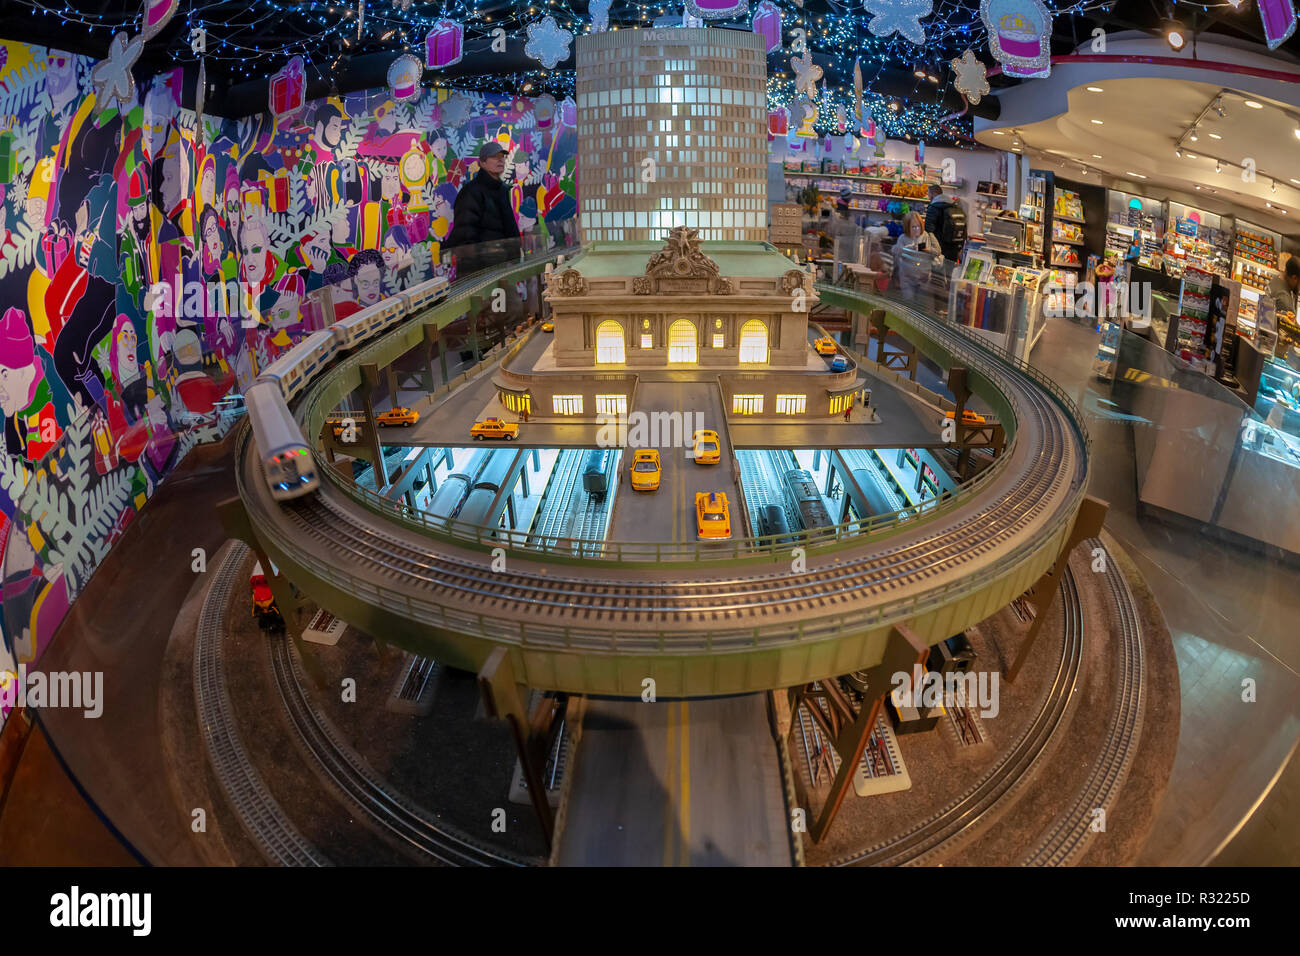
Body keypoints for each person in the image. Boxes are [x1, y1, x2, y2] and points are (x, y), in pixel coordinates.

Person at [445, 142, 521, 274]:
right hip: (480, 271)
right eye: (495, 157)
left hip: (502, 267)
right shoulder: (470, 192)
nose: (500, 160)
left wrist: (514, 257)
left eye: (502, 156)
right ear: (482, 163)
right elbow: (465, 237)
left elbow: (509, 228)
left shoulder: (502, 190)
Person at [895, 211, 942, 303]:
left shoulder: (927, 236)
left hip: (924, 278)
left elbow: (937, 252)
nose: (916, 229)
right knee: (909, 303)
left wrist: (924, 249)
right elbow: (897, 253)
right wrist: (909, 248)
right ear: (907, 227)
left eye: (918, 226)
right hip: (907, 278)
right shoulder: (902, 238)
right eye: (913, 227)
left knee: (922, 304)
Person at [924, 184, 968, 263]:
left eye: (929, 194)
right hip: (954, 248)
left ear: (933, 194)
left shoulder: (933, 207)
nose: (928, 197)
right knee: (950, 269)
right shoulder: (956, 207)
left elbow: (928, 230)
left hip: (938, 249)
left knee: (937, 270)